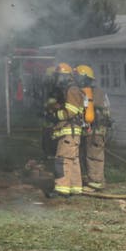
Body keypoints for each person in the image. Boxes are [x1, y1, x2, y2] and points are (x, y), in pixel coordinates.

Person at [45, 62, 84, 197]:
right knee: (73, 160)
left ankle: (61, 189)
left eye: (59, 76)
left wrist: (55, 116)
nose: (57, 79)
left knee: (62, 160)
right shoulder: (70, 89)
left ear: (65, 76)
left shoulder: (72, 90)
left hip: (69, 132)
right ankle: (75, 188)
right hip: (72, 133)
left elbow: (71, 112)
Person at [75, 64, 111, 191]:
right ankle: (95, 179)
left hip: (94, 130)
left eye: (78, 77)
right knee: (90, 154)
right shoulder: (100, 92)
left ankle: (96, 182)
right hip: (97, 130)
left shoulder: (87, 93)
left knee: (93, 155)